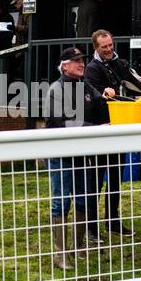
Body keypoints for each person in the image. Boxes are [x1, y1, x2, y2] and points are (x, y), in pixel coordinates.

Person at [44, 46, 110, 266]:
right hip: (61, 154)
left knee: (83, 200)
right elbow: (60, 122)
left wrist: (108, 98)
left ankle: (79, 248)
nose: (82, 64)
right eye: (76, 61)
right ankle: (61, 254)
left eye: (82, 60)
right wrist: (96, 127)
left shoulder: (87, 87)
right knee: (61, 202)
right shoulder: (55, 89)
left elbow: (101, 112)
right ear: (64, 66)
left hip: (82, 155)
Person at [83, 30, 141, 236]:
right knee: (96, 181)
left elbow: (133, 86)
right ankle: (91, 227)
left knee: (115, 179)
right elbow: (93, 93)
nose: (108, 49)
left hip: (119, 128)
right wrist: (105, 94)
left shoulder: (120, 63)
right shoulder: (91, 68)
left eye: (110, 45)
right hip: (100, 129)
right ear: (96, 48)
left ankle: (113, 222)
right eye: (104, 47)